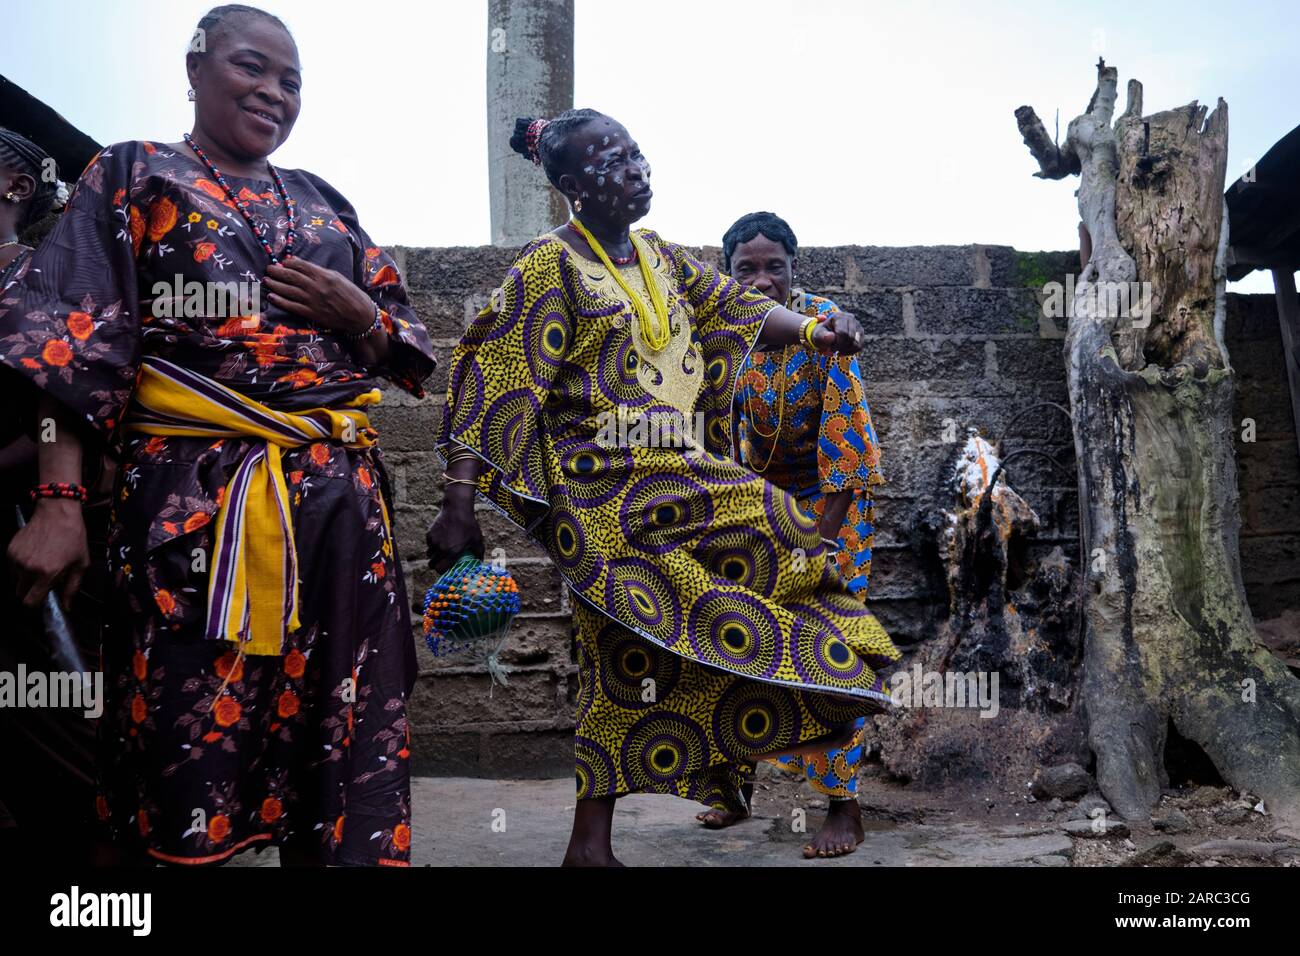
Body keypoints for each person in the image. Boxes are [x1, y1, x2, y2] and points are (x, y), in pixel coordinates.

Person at [0, 4, 435, 866]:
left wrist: (362, 318)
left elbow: (405, 344)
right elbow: (66, 344)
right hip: (195, 505)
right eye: (250, 68)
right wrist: (57, 500)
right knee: (184, 717)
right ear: (195, 68)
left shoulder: (324, 201)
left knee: (352, 720)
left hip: (341, 510)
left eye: (291, 81)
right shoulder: (135, 175)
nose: (273, 92)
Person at [427, 109, 901, 866]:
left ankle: (603, 839)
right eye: (613, 162)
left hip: (680, 480)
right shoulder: (549, 268)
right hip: (602, 496)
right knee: (624, 652)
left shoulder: (658, 255)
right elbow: (495, 377)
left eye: (637, 153)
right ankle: (594, 841)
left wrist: (818, 330)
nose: (636, 169)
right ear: (576, 188)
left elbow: (736, 306)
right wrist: (458, 501)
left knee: (785, 547)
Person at [695, 211, 886, 858]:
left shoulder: (823, 326)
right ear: (728, 274)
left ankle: (844, 807)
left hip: (831, 505)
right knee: (729, 634)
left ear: (794, 271)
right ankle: (730, 786)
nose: (761, 279)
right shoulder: (722, 334)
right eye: (746, 268)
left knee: (828, 644)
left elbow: (849, 451)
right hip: (758, 503)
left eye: (774, 266)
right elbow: (710, 435)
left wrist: (816, 544)